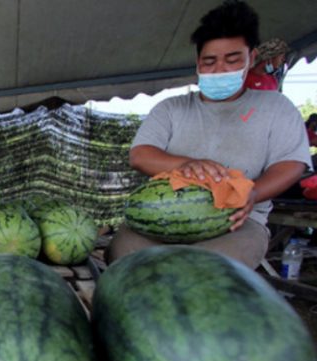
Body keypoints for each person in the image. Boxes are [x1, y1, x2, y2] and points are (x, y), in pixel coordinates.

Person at [107, 1, 312, 269]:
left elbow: (291, 164)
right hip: (161, 219)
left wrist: (252, 194)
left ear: (251, 57)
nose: (220, 70)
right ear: (198, 64)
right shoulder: (171, 108)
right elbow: (140, 155)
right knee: (125, 261)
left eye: (232, 60)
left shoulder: (276, 107)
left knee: (199, 272)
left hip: (238, 221)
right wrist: (185, 164)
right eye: (210, 61)